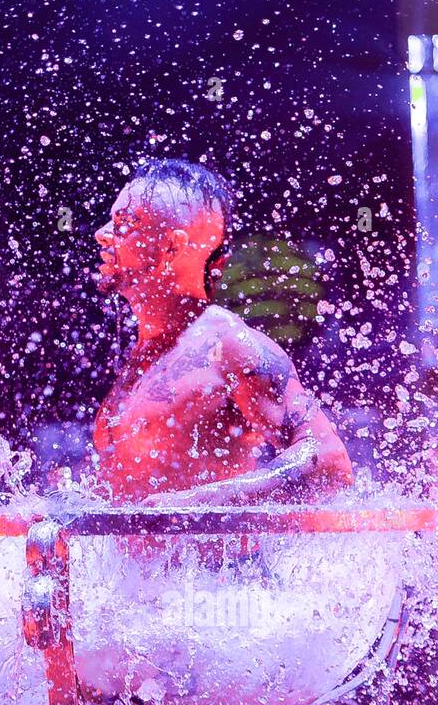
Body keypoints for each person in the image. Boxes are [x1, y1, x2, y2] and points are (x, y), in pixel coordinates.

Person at [90, 158, 352, 507]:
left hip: (221, 564)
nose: (102, 233)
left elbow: (331, 464)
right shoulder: (145, 351)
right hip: (139, 565)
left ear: (172, 246)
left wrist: (195, 505)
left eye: (124, 224)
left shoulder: (226, 344)